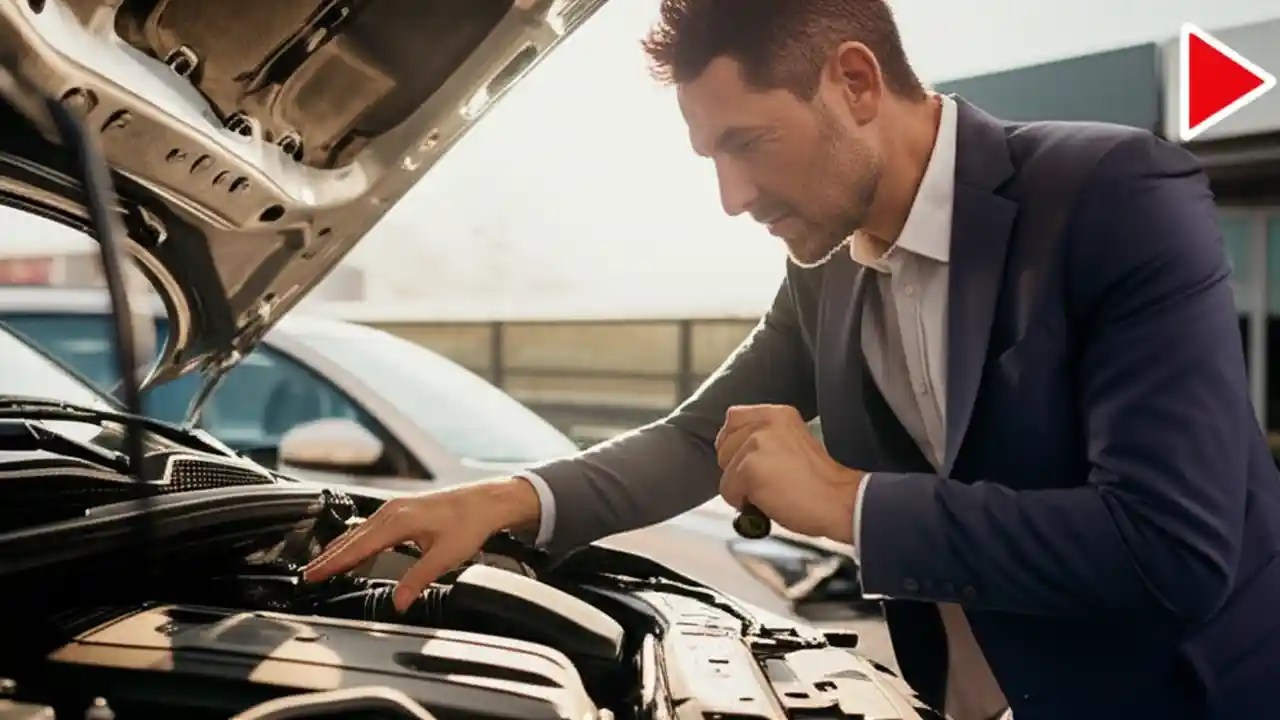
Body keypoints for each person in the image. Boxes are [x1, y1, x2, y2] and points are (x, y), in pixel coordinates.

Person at [303, 1, 1280, 718]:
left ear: (853, 82)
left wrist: (844, 501)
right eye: (709, 158)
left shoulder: (1114, 194)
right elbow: (699, 436)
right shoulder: (827, 264)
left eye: (748, 143)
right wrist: (506, 500)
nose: (731, 197)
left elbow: (1168, 550)